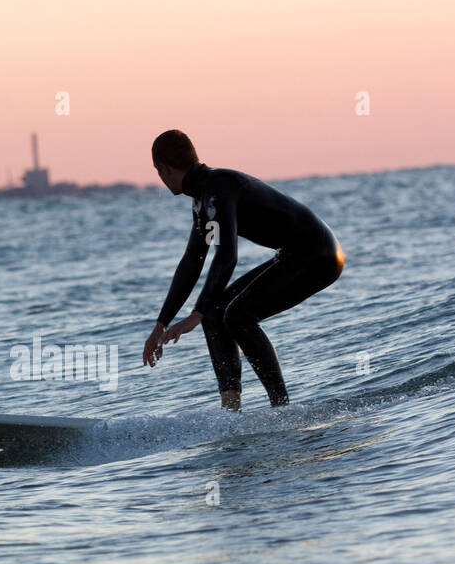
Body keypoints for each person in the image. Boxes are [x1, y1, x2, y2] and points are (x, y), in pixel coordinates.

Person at [142, 130, 345, 409]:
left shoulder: (219, 186)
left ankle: (281, 407)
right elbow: (193, 260)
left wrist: (195, 315)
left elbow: (226, 256)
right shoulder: (204, 197)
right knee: (216, 312)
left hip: (317, 254)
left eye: (158, 172)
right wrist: (161, 324)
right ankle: (231, 408)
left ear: (163, 169)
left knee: (237, 315)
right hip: (298, 254)